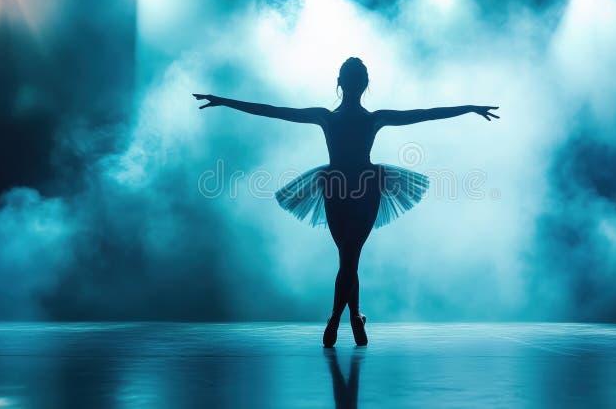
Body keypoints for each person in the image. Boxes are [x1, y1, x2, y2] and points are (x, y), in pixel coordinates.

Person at [194, 57, 499, 347]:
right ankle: (348, 317)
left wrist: (224, 101)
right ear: (365, 84)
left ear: (339, 82)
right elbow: (425, 113)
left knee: (347, 256)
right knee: (351, 258)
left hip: (335, 185)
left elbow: (273, 111)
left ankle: (343, 318)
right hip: (366, 185)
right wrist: (470, 108)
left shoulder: (325, 117)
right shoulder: (374, 118)